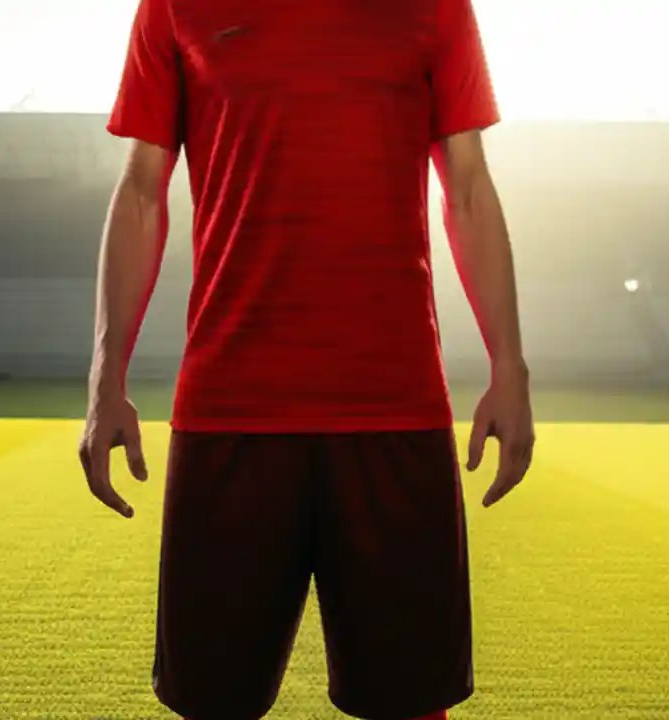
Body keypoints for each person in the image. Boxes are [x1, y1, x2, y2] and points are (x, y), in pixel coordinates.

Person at [78, 0, 535, 718]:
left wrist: (510, 367)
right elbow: (141, 190)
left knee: (409, 702)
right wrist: (107, 378)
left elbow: (469, 187)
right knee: (212, 701)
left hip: (395, 408)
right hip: (229, 407)